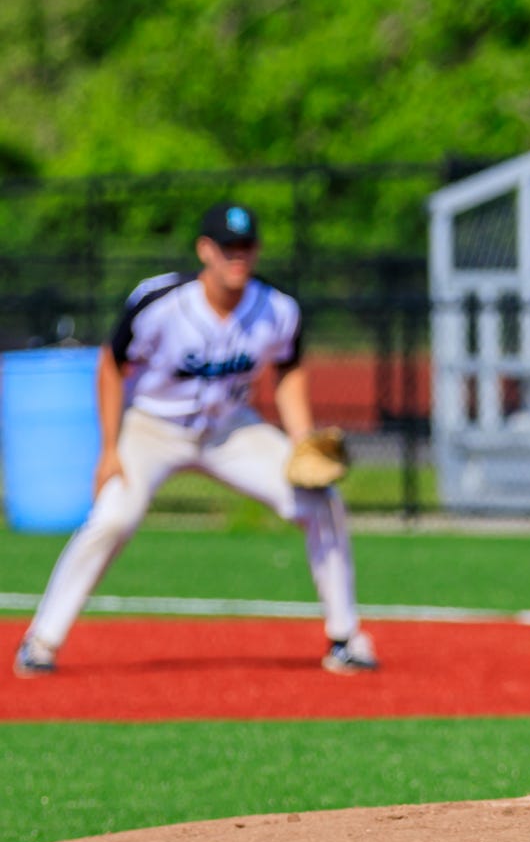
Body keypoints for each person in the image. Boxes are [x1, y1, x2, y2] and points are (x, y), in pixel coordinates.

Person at [12, 202, 378, 678]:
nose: (237, 256)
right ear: (205, 250)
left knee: (320, 499)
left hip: (230, 430)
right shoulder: (160, 301)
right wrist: (108, 450)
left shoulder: (278, 309)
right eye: (227, 247)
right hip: (152, 429)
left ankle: (345, 637)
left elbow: (288, 368)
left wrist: (301, 436)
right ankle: (41, 641)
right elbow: (111, 365)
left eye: (245, 246)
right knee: (113, 516)